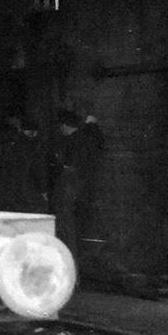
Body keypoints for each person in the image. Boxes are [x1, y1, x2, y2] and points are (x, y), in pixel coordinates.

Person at [51, 109, 105, 256]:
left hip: (70, 190)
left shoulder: (69, 143)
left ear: (64, 125)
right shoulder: (88, 138)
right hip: (86, 190)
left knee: (67, 228)